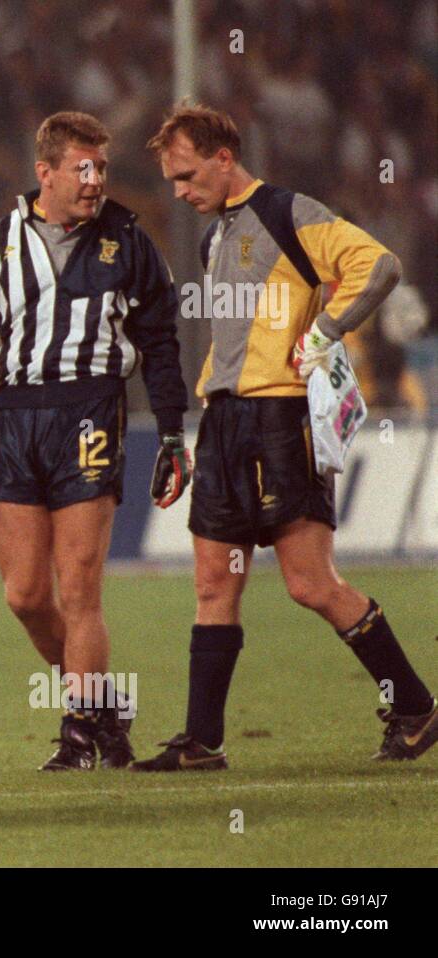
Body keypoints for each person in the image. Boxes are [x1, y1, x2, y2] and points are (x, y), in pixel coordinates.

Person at [134, 103, 437, 770]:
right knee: (213, 582)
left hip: (281, 419)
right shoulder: (218, 236)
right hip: (223, 420)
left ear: (223, 157)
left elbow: (380, 266)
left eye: (186, 175)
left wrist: (327, 332)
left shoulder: (287, 212)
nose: (179, 192)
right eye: (171, 181)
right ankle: (201, 744)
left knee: (310, 584)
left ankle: (415, 706)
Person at [0, 112, 191, 771]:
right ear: (44, 173)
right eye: (81, 169)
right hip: (16, 419)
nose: (94, 181)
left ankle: (80, 733)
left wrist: (172, 432)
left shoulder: (130, 243)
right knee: (25, 595)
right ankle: (104, 705)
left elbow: (161, 345)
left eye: (101, 169)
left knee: (79, 584)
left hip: (89, 414)